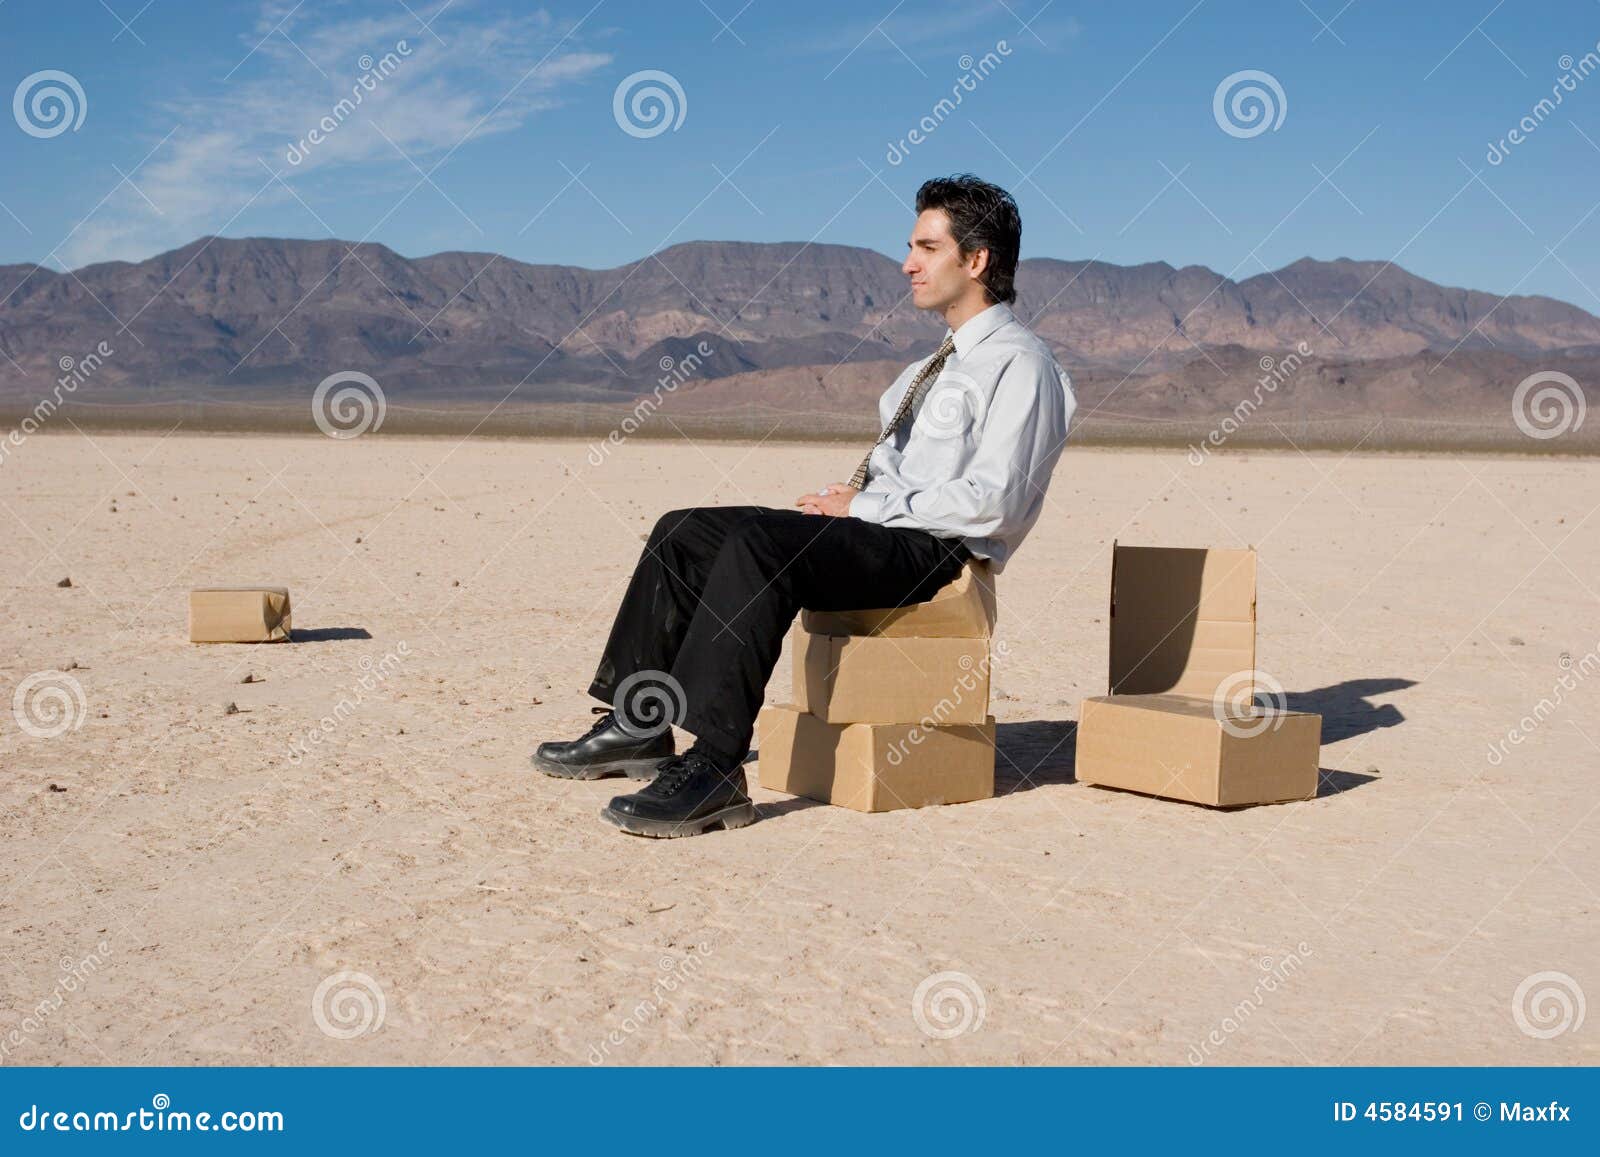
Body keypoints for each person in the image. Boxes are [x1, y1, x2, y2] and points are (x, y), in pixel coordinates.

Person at [532, 174, 1076, 838]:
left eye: (926, 247)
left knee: (760, 545)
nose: (908, 263)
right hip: (890, 531)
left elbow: (998, 502)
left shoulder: (1021, 366)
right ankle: (639, 725)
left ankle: (714, 767)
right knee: (687, 531)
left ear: (977, 259)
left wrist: (868, 507)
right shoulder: (930, 366)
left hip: (935, 553)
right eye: (911, 245)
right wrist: (849, 505)